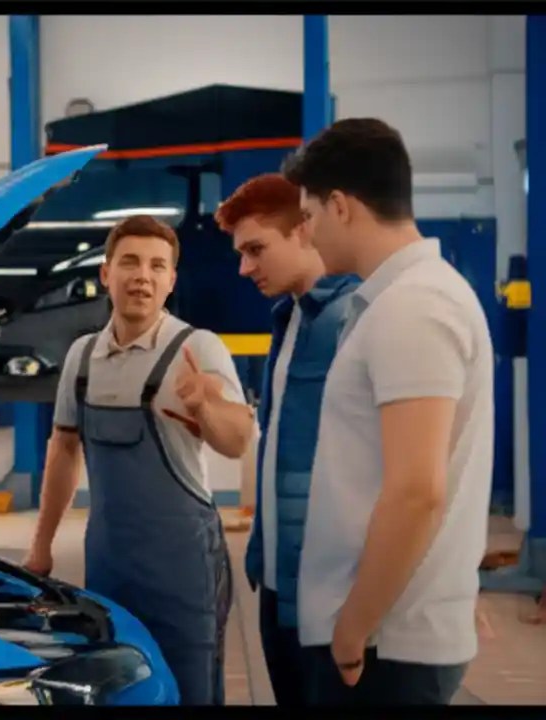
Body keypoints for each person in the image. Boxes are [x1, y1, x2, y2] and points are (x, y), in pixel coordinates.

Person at [281, 118, 494, 705]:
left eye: (310, 214)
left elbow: (416, 491)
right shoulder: (399, 300)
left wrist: (353, 626)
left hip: (385, 648)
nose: (308, 232)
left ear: (342, 206)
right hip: (385, 635)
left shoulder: (414, 308)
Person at [22, 214, 256, 705]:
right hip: (109, 563)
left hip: (185, 568)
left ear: (171, 280)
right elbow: (64, 451)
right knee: (121, 690)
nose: (142, 276)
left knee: (191, 691)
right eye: (129, 262)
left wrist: (205, 407)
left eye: (157, 266)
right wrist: (41, 546)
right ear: (106, 274)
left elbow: (237, 441)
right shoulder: (82, 358)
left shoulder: (196, 348)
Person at [213, 173, 360, 706]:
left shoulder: (356, 320)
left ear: (304, 229)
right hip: (280, 582)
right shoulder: (290, 318)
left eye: (256, 249)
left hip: (334, 593)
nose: (244, 267)